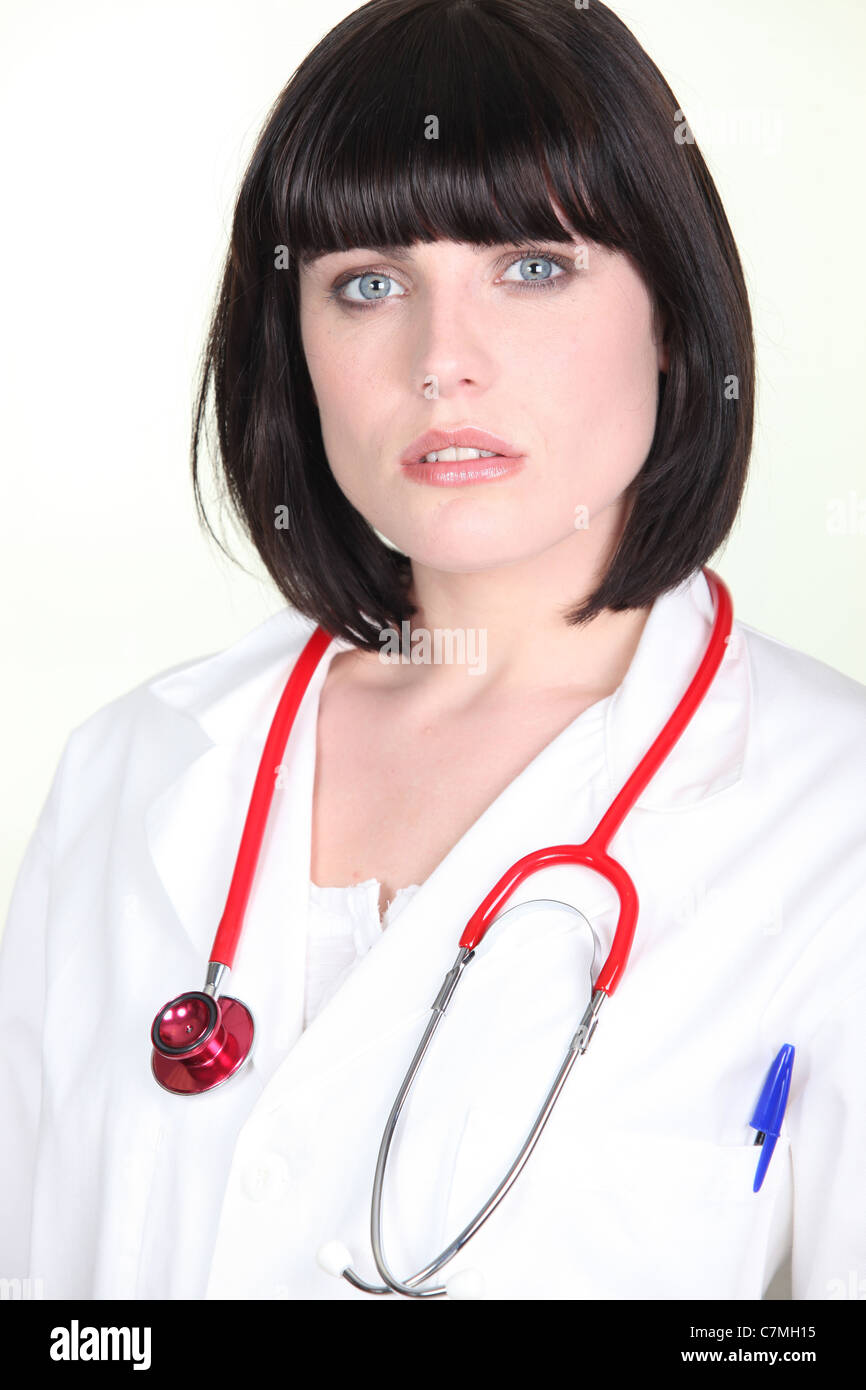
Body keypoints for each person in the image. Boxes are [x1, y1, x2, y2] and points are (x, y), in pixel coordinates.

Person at [1, 0, 864, 1302]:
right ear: (290, 343)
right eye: (366, 283)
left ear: (674, 318)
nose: (438, 362)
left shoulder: (831, 819)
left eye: (529, 265)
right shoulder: (131, 771)